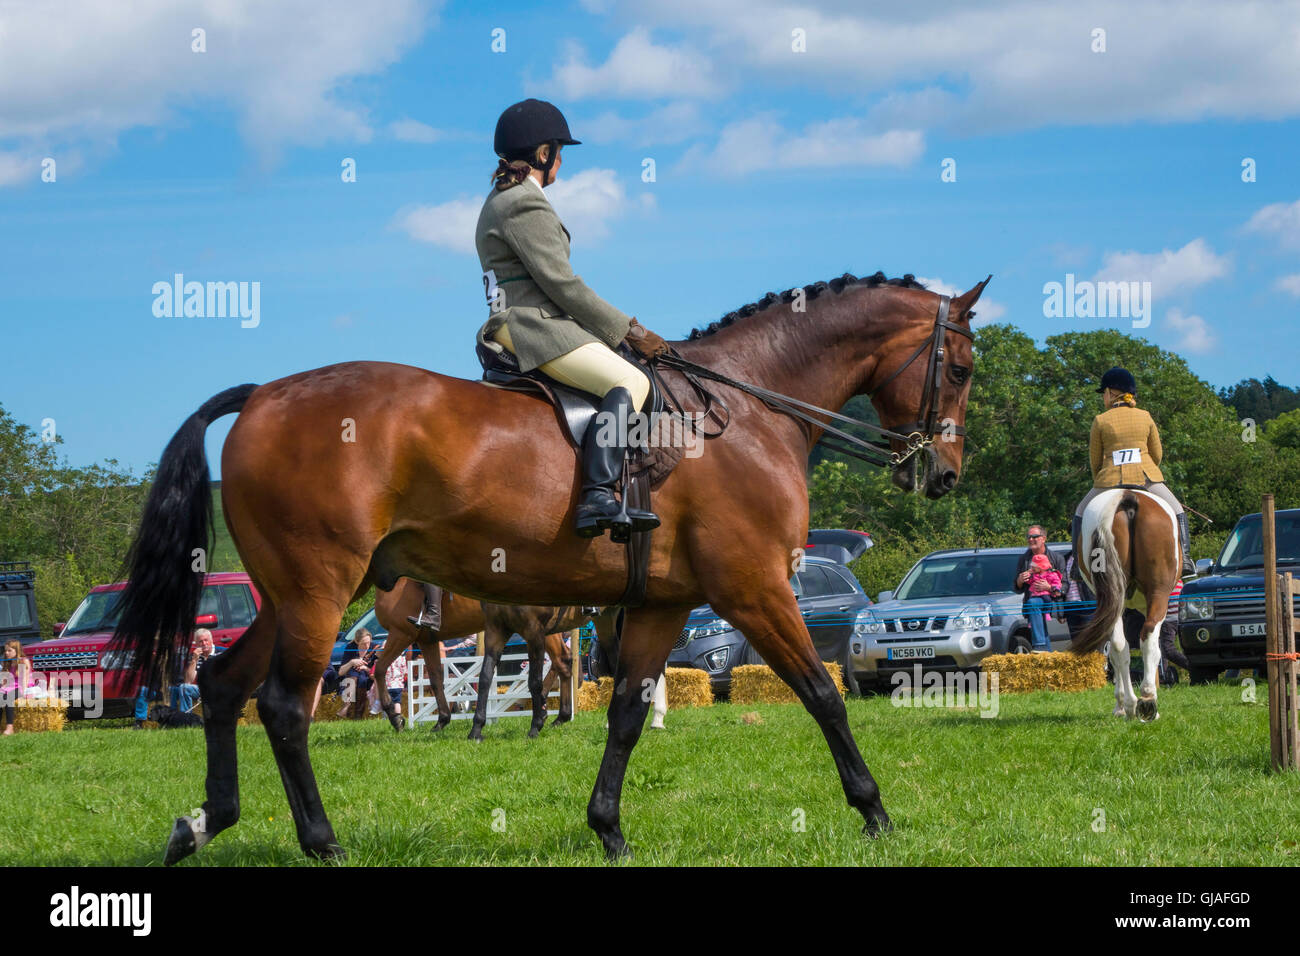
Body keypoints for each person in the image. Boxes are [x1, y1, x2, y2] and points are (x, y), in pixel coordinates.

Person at [475, 98, 666, 539]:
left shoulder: (502, 198)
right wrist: (629, 330)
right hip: (533, 326)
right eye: (559, 151)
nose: (561, 160)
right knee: (633, 383)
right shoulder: (523, 202)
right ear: (543, 154)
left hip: (525, 322)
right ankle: (597, 493)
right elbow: (563, 285)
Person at [1071, 367, 1196, 578]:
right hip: (1145, 477)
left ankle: (1076, 565)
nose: (1103, 397)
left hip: (1109, 479)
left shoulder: (1100, 420)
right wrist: (1146, 469)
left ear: (1111, 392)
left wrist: (1100, 481)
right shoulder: (1145, 416)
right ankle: (1186, 558)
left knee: (1080, 512)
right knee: (1176, 510)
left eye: (1104, 393)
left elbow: (1095, 460)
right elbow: (1157, 454)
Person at [1013, 525, 1066, 651]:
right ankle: (1043, 652)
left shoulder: (1057, 558)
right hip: (1033, 605)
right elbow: (1017, 588)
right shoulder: (1024, 559)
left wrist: (1049, 587)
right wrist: (1020, 581)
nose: (1031, 539)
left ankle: (1041, 647)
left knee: (1044, 632)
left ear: (1043, 538)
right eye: (1029, 537)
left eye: (1034, 536)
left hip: (1053, 604)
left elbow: (1065, 585)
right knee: (1034, 608)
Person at [170, 628, 215, 714]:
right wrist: (194, 660)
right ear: (196, 644)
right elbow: (188, 681)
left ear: (212, 640)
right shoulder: (193, 656)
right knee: (178, 688)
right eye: (200, 642)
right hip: (200, 689)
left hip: (217, 688)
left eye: (206, 640)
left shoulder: (222, 652)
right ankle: (175, 718)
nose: (204, 644)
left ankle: (184, 720)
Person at [338, 629, 378, 719]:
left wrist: (365, 668)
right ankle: (347, 706)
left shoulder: (375, 648)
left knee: (361, 679)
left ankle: (356, 713)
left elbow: (376, 673)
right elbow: (340, 672)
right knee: (353, 675)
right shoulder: (350, 647)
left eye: (368, 642)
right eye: (363, 643)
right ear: (357, 642)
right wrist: (352, 662)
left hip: (368, 680)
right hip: (351, 679)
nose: (367, 646)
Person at [1, 640, 36, 735]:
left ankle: (10, 727)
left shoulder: (23, 661)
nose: (6, 653)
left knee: (9, 698)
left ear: (17, 650)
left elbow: (24, 680)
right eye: (5, 650)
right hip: (10, 685)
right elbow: (4, 681)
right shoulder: (6, 662)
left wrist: (24, 693)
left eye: (9, 650)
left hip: (22, 685)